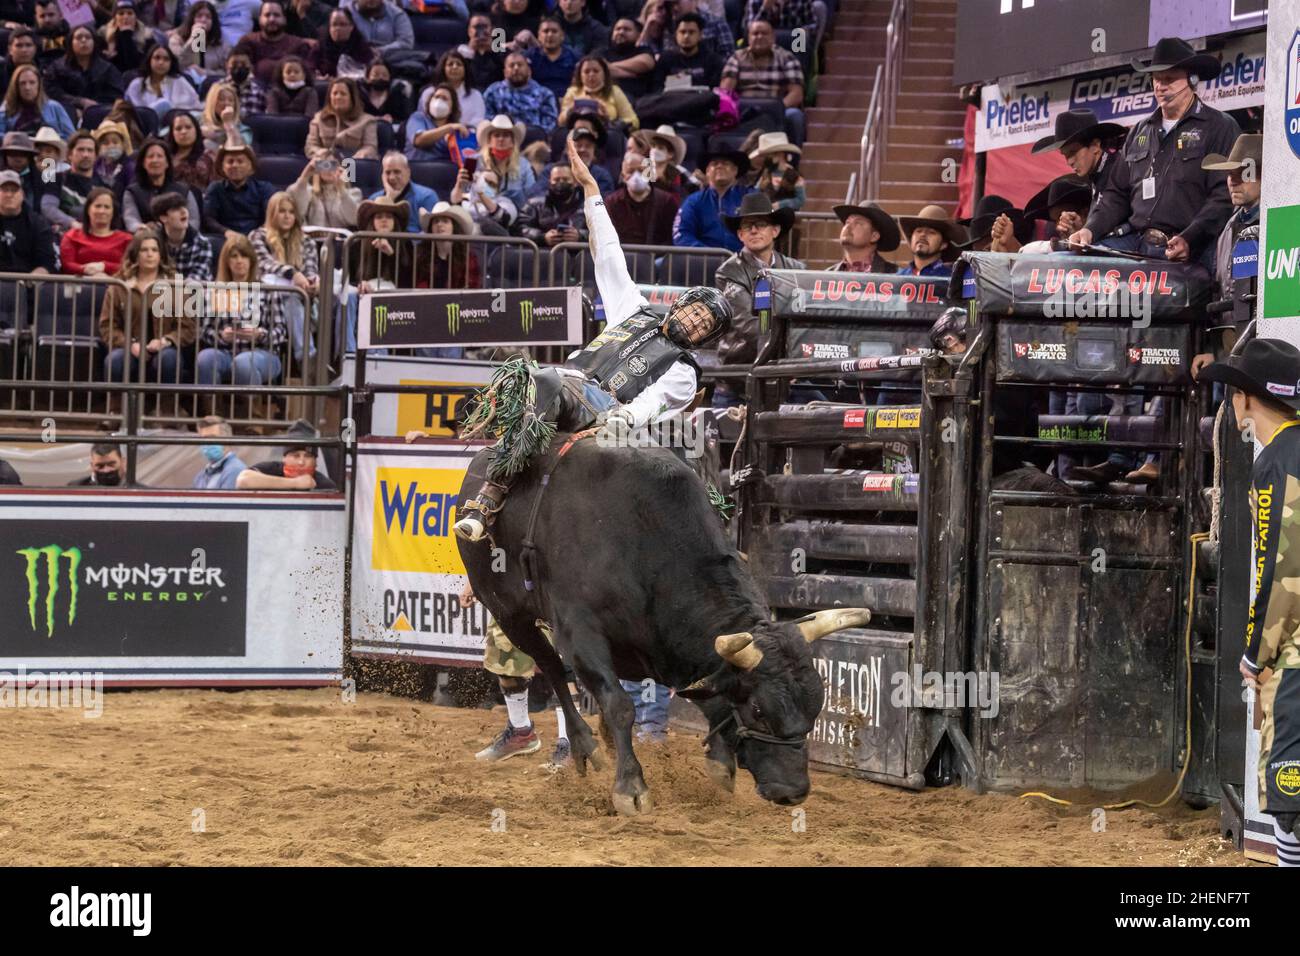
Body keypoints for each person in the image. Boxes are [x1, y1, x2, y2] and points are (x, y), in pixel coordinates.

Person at [453, 136, 732, 542]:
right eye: (694, 310)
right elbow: (608, 253)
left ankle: (488, 498)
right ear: (679, 304)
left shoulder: (684, 371)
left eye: (704, 323)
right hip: (570, 384)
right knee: (526, 376)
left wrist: (621, 420)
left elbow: (653, 403)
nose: (694, 321)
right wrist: (591, 191)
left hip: (606, 410)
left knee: (544, 379)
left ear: (705, 337)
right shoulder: (634, 306)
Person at [1198, 339, 1300, 868]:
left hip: (1295, 656)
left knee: (1291, 794)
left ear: (1243, 399)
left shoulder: (1278, 464)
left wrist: (1254, 656)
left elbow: (1282, 576)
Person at [1068, 36, 1240, 266]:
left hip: (1192, 249)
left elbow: (1223, 196)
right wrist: (1090, 230)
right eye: (1156, 79)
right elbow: (1116, 194)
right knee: (1072, 264)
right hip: (1137, 243)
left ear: (1192, 79)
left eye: (1169, 79)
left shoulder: (1219, 126)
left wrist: (1191, 237)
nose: (1160, 86)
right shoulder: (1139, 131)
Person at [714, 191, 802, 365]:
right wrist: (788, 344)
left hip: (787, 365)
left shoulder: (797, 270)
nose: (754, 230)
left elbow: (804, 319)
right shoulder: (728, 272)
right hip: (741, 367)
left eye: (760, 224)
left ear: (775, 231)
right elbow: (749, 325)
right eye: (748, 226)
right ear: (740, 235)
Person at [100, 229, 194, 383]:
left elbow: (188, 327)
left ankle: (166, 407)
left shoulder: (177, 284)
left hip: (164, 348)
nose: (150, 254)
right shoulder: (119, 285)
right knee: (115, 361)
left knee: (168, 359)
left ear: (161, 255)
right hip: (130, 348)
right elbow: (107, 326)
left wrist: (165, 341)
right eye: (144, 250)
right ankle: (117, 407)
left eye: (154, 250)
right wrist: (129, 344)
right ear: (135, 254)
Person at [197, 233, 286, 384]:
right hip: (225, 351)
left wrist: (259, 335)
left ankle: (250, 407)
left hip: (262, 353)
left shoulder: (268, 289)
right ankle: (210, 407)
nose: (239, 261)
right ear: (226, 261)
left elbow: (280, 332)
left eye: (244, 256)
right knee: (205, 358)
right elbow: (204, 331)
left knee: (243, 363)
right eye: (234, 256)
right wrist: (221, 337)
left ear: (251, 260)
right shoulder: (214, 291)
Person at [250, 190, 320, 362]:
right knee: (290, 297)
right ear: (272, 213)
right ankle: (307, 359)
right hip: (266, 300)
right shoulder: (258, 236)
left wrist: (312, 281)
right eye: (282, 211)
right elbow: (265, 264)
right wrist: (293, 274)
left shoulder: (307, 241)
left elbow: (311, 268)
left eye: (291, 212)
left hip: (304, 298)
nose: (287, 216)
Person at [342, 193, 411, 352]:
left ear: (395, 221)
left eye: (388, 216)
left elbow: (408, 281)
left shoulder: (406, 244)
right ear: (372, 221)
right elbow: (348, 278)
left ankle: (380, 358)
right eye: (379, 216)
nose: (384, 220)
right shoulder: (356, 245)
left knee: (377, 302)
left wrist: (391, 254)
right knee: (349, 298)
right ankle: (349, 353)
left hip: (393, 300)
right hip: (362, 295)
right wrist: (360, 285)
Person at [720, 17, 804, 146]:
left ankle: (792, 162)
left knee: (794, 116)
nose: (759, 37)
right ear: (748, 38)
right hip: (744, 110)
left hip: (778, 107)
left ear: (773, 37)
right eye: (755, 33)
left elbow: (796, 94)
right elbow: (726, 92)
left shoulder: (787, 57)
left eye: (764, 33)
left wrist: (776, 109)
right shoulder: (736, 57)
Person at [1030, 107, 1124, 221]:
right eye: (1065, 155)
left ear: (1095, 146)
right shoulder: (1098, 174)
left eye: (1073, 152)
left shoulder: (1118, 172)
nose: (1069, 162)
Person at [672, 146, 751, 251]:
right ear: (707, 171)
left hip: (743, 261)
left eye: (725, 163)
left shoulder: (750, 197)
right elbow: (681, 234)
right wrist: (708, 254)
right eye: (714, 164)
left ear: (735, 171)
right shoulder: (693, 201)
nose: (719, 166)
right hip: (702, 262)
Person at [122, 136, 200, 231]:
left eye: (159, 156)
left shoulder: (183, 190)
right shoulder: (132, 192)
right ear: (143, 163)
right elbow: (131, 220)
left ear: (167, 163)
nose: (155, 160)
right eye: (150, 156)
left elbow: (194, 221)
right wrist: (143, 228)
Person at [47, 25, 125, 118]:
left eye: (88, 37)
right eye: (79, 38)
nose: (84, 41)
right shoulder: (57, 68)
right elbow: (52, 92)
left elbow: (115, 95)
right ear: (70, 43)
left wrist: (94, 107)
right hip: (67, 113)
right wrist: (80, 102)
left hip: (102, 113)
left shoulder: (107, 68)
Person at [203, 142, 275, 238]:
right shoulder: (215, 188)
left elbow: (271, 217)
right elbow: (208, 219)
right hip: (224, 238)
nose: (235, 165)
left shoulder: (265, 188)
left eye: (240, 161)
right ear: (222, 167)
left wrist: (256, 234)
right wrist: (226, 232)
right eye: (230, 162)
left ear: (251, 167)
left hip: (258, 237)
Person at [233, 0, 314, 85]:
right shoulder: (247, 41)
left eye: (276, 15)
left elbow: (308, 75)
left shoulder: (298, 44)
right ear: (260, 18)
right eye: (267, 15)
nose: (272, 19)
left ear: (285, 19)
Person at [605, 150, 676, 244]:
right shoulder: (612, 202)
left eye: (641, 171)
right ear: (623, 176)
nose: (636, 176)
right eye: (630, 171)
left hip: (657, 257)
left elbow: (671, 239)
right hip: (621, 257)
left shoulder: (666, 201)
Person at [59, 185, 130, 274]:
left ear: (113, 211)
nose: (102, 211)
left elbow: (130, 266)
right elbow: (67, 265)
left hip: (116, 286)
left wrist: (104, 266)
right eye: (97, 206)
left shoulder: (126, 240)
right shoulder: (72, 236)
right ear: (88, 209)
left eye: (107, 207)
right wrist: (86, 270)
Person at [515, 158, 585, 246]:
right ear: (550, 182)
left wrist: (580, 236)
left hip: (577, 257)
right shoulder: (534, 205)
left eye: (565, 179)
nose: (561, 183)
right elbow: (519, 229)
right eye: (556, 180)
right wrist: (542, 237)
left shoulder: (588, 207)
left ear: (575, 182)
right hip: (543, 256)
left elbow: (600, 232)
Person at [306, 77, 379, 159]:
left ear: (352, 98)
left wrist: (361, 155)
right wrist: (321, 153)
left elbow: (370, 147)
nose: (338, 97)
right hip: (326, 164)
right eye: (335, 93)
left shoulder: (367, 121)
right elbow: (310, 146)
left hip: (354, 165)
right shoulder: (318, 118)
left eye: (343, 94)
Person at [558, 54, 636, 130]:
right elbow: (560, 122)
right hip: (577, 134)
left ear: (604, 73)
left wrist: (609, 120)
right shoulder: (572, 91)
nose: (591, 75)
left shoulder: (615, 91)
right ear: (580, 75)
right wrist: (571, 110)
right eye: (586, 71)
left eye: (596, 71)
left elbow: (633, 120)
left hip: (607, 133)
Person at [483, 51, 557, 130]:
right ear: (505, 72)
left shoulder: (545, 94)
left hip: (535, 138)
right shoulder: (493, 92)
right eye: (511, 66)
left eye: (520, 65)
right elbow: (487, 121)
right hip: (503, 136)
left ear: (529, 70)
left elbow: (550, 124)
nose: (516, 68)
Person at [0, 169, 56, 273]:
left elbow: (47, 263)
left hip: (28, 283)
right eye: (4, 190)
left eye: (14, 190)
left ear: (22, 194)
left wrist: (30, 283)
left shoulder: (39, 224)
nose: (9, 194)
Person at [288, 148, 361, 228]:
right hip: (313, 239)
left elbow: (353, 219)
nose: (329, 170)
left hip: (343, 239)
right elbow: (296, 210)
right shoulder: (308, 192)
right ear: (318, 168)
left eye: (333, 165)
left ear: (341, 168)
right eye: (325, 165)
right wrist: (305, 176)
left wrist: (341, 189)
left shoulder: (354, 193)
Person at [125, 38, 201, 115]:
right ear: (149, 60)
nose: (161, 62)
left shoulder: (179, 81)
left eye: (166, 59)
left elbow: (195, 107)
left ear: (171, 63)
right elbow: (135, 113)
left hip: (175, 123)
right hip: (145, 125)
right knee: (163, 104)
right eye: (157, 58)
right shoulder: (136, 84)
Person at [42, 129, 97, 232]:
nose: (86, 155)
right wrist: (72, 223)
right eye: (81, 150)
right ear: (70, 155)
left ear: (95, 156)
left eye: (90, 150)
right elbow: (48, 208)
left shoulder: (101, 187)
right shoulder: (56, 179)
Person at [0, 63, 75, 137]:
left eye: (32, 83)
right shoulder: (7, 107)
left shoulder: (54, 107)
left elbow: (71, 137)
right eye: (22, 83)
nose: (27, 87)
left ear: (39, 85)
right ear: (16, 86)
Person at [370, 149, 436, 232]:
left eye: (397, 172)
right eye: (387, 172)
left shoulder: (426, 196)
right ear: (382, 175)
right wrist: (389, 198)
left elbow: (430, 232)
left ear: (408, 172)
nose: (392, 177)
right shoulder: (373, 199)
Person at [639, 0, 731, 60]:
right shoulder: (665, 25)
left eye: (677, 3)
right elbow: (642, 54)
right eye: (670, 5)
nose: (674, 8)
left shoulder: (716, 23)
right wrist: (648, 26)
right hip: (672, 79)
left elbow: (728, 56)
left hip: (707, 75)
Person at [404, 82, 472, 163]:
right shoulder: (418, 117)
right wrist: (449, 128)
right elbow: (419, 140)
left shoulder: (457, 129)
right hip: (417, 168)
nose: (439, 101)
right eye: (436, 97)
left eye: (444, 98)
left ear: (452, 108)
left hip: (445, 171)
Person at [652, 12, 722, 89]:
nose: (686, 36)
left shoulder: (712, 60)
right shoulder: (665, 59)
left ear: (700, 35)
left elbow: (715, 90)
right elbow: (657, 88)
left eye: (691, 32)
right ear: (676, 35)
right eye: (682, 32)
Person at [153, 190, 213, 279]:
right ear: (163, 218)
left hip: (195, 291)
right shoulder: (153, 242)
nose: (183, 211)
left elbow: (196, 281)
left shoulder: (202, 243)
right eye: (176, 209)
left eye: (184, 207)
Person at [168, 1, 232, 83]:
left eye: (208, 17)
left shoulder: (222, 44)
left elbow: (227, 72)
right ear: (192, 19)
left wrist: (204, 72)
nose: (203, 20)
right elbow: (177, 65)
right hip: (185, 84)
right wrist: (193, 39)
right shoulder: (176, 40)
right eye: (199, 16)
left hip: (212, 84)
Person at [828, 201, 898, 273]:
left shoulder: (894, 275)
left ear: (874, 236)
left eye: (858, 223)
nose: (847, 227)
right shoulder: (826, 276)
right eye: (847, 222)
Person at [236, 440, 337, 489]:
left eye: (307, 456)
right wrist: (296, 483)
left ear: (315, 462)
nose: (301, 462)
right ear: (284, 458)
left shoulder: (325, 485)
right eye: (296, 456)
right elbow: (243, 480)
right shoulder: (272, 468)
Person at [895, 204, 963, 277]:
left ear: (943, 244)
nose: (922, 235)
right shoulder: (899, 278)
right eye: (919, 231)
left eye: (931, 232)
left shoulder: (952, 279)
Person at [309, 7, 374, 79]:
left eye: (342, 24)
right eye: (334, 25)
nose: (337, 29)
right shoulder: (320, 46)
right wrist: (318, 77)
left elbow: (371, 70)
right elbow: (310, 69)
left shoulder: (362, 47)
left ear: (351, 27)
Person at [746, 130, 803, 212]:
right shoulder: (765, 174)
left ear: (779, 154)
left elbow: (800, 200)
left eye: (768, 155)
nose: (765, 159)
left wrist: (780, 205)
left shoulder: (794, 176)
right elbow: (757, 192)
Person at [526, 16, 578, 103]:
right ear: (539, 35)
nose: (550, 35)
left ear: (562, 35)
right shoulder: (529, 57)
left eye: (554, 31)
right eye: (546, 31)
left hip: (567, 102)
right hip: (536, 101)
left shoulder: (574, 56)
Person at [163, 107, 214, 193]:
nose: (183, 132)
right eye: (178, 129)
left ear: (196, 130)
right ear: (172, 133)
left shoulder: (208, 157)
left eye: (188, 127)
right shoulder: (163, 158)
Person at [341, 0, 414, 59]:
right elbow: (336, 41)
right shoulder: (345, 14)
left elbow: (406, 42)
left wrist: (381, 51)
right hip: (353, 60)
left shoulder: (397, 14)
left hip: (388, 62)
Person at [432, 49, 485, 129]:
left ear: (465, 70)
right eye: (450, 64)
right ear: (443, 68)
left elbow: (479, 122)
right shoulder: (429, 93)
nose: (455, 67)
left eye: (459, 64)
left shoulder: (475, 95)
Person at [603, 17, 655, 100]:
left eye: (626, 29)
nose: (621, 32)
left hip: (638, 99)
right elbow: (598, 70)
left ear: (638, 34)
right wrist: (632, 73)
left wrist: (610, 65)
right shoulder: (602, 52)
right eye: (618, 29)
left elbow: (645, 63)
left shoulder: (643, 50)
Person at [193, 415, 249, 490]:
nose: (207, 443)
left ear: (227, 440)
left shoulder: (235, 470)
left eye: (212, 438)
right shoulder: (201, 476)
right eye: (203, 439)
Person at [100, 0, 153, 75]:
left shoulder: (147, 36)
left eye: (130, 13)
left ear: (136, 17)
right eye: (121, 13)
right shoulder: (103, 35)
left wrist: (126, 36)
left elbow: (135, 66)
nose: (125, 17)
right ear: (115, 18)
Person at [457, 12, 504, 93]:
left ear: (492, 30)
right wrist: (470, 52)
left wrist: (493, 52)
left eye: (485, 27)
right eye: (477, 27)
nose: (481, 31)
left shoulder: (502, 51)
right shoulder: (459, 52)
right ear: (469, 31)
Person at [200, 79, 252, 151]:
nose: (227, 103)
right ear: (212, 102)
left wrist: (228, 123)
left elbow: (237, 150)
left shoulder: (243, 130)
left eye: (230, 100)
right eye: (221, 99)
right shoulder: (196, 121)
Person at [361, 59, 410, 126]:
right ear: (367, 78)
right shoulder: (360, 95)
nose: (380, 78)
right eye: (376, 75)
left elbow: (406, 120)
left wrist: (392, 120)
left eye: (384, 75)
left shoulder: (397, 95)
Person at [221, 49, 266, 115]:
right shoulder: (218, 88)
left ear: (251, 67)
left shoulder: (259, 91)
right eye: (234, 64)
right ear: (227, 65)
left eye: (243, 64)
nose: (239, 67)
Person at [91, 119, 132, 188]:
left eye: (115, 142)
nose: (111, 146)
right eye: (106, 143)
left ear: (123, 145)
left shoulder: (129, 167)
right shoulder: (95, 166)